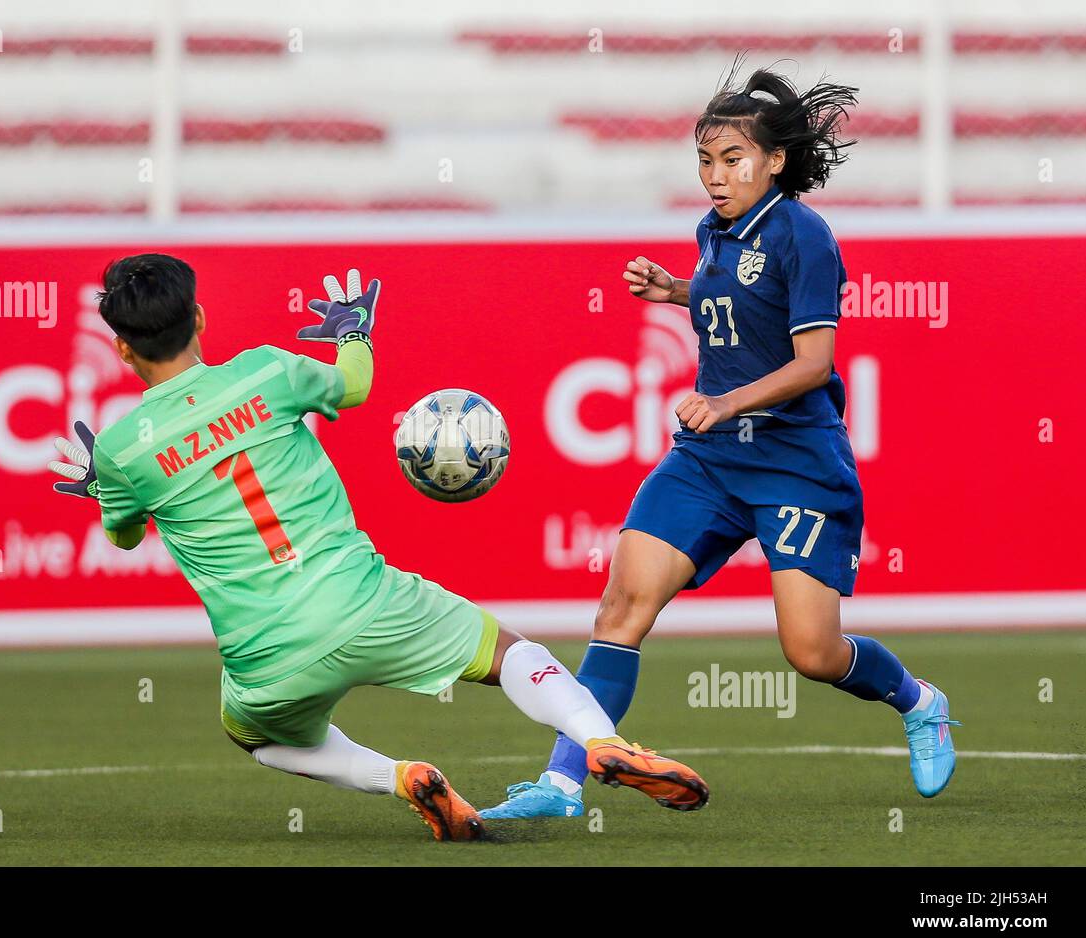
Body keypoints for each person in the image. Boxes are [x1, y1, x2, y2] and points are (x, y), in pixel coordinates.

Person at [48, 253, 710, 841]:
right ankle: (602, 741)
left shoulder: (122, 450)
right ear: (198, 317)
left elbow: (124, 536)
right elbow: (355, 385)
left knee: (257, 736)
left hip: (266, 658)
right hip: (367, 604)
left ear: (122, 349)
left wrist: (103, 484)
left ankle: (403, 777)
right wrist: (352, 331)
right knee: (511, 653)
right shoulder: (266, 371)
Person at [482, 65, 957, 820]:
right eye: (705, 161)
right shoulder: (715, 230)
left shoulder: (805, 235)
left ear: (774, 161)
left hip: (796, 464)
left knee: (812, 653)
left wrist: (724, 401)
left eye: (732, 159)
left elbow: (814, 364)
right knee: (619, 610)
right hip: (709, 461)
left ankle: (919, 701)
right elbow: (735, 300)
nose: (715, 176)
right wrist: (675, 290)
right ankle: (562, 785)